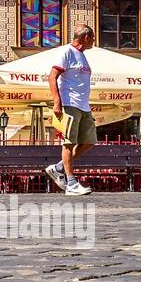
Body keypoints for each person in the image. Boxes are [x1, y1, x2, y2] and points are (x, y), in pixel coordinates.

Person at [45, 24, 95, 196]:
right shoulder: (66, 52)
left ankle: (59, 167)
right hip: (69, 103)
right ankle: (71, 183)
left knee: (89, 141)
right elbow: (52, 77)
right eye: (93, 38)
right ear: (86, 37)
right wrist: (57, 103)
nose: (94, 41)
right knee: (69, 142)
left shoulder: (82, 56)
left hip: (83, 106)